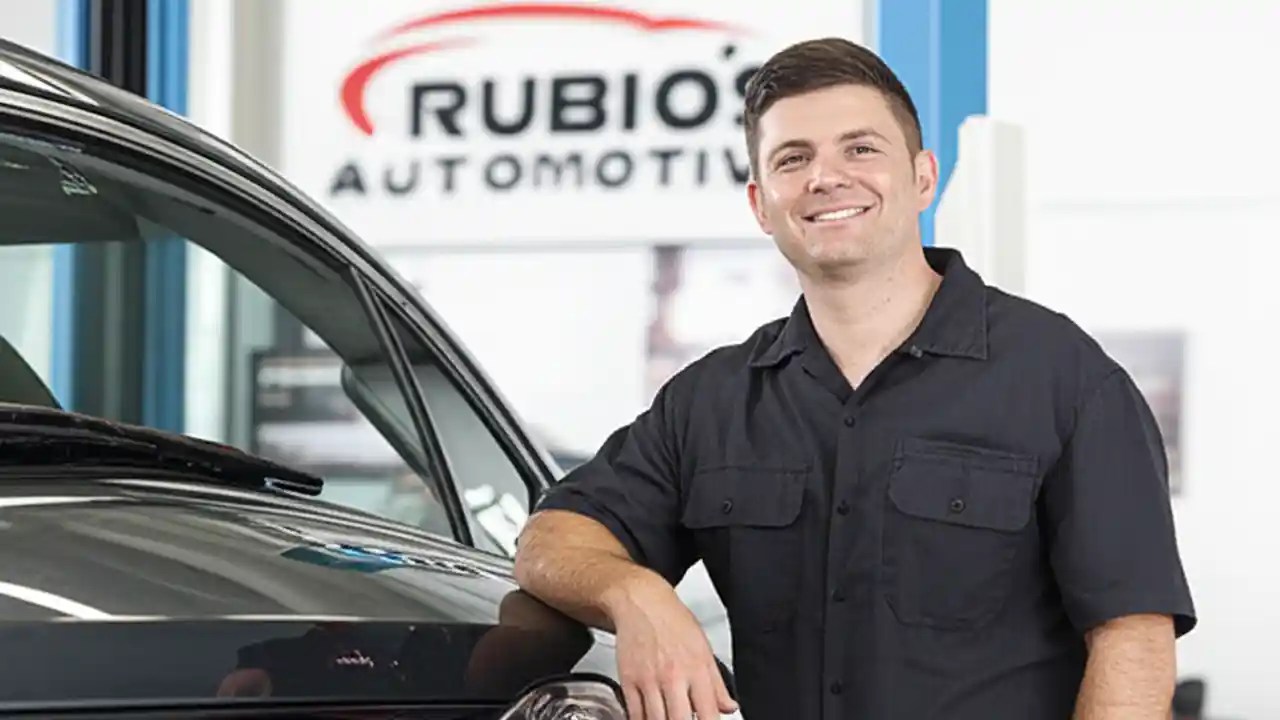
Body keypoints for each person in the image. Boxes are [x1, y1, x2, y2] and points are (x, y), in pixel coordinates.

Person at [513, 36, 1196, 720]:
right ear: (760, 203)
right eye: (793, 158)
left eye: (861, 148)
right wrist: (634, 595)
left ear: (923, 176)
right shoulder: (710, 403)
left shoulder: (1063, 378)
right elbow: (549, 542)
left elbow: (1132, 640)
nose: (826, 177)